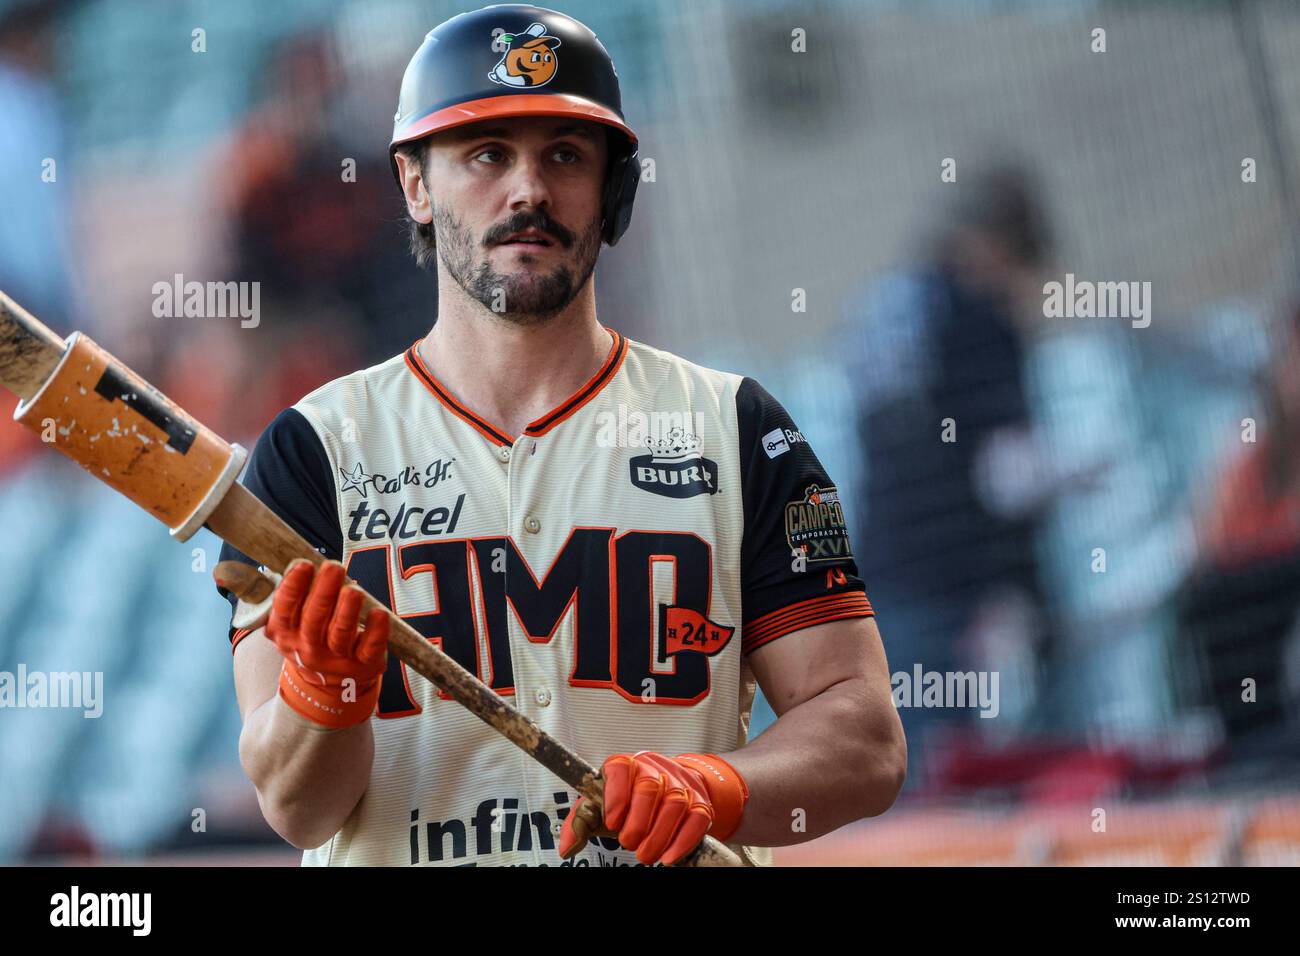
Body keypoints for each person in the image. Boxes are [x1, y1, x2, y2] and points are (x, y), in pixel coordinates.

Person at [216, 4, 904, 867]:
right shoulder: (311, 450)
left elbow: (866, 735)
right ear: (416, 185)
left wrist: (717, 788)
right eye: (487, 154)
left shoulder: (736, 428)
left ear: (613, 189)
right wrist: (326, 690)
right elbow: (295, 809)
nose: (529, 191)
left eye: (565, 156)